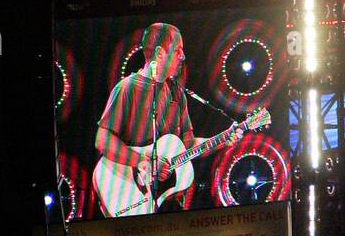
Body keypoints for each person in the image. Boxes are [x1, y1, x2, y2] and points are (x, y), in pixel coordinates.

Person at [95, 22, 243, 214]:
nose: (183, 56)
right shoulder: (127, 88)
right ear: (159, 54)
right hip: (128, 192)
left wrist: (222, 140)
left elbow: (188, 146)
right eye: (177, 51)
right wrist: (143, 162)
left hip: (166, 207)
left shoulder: (177, 93)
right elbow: (102, 140)